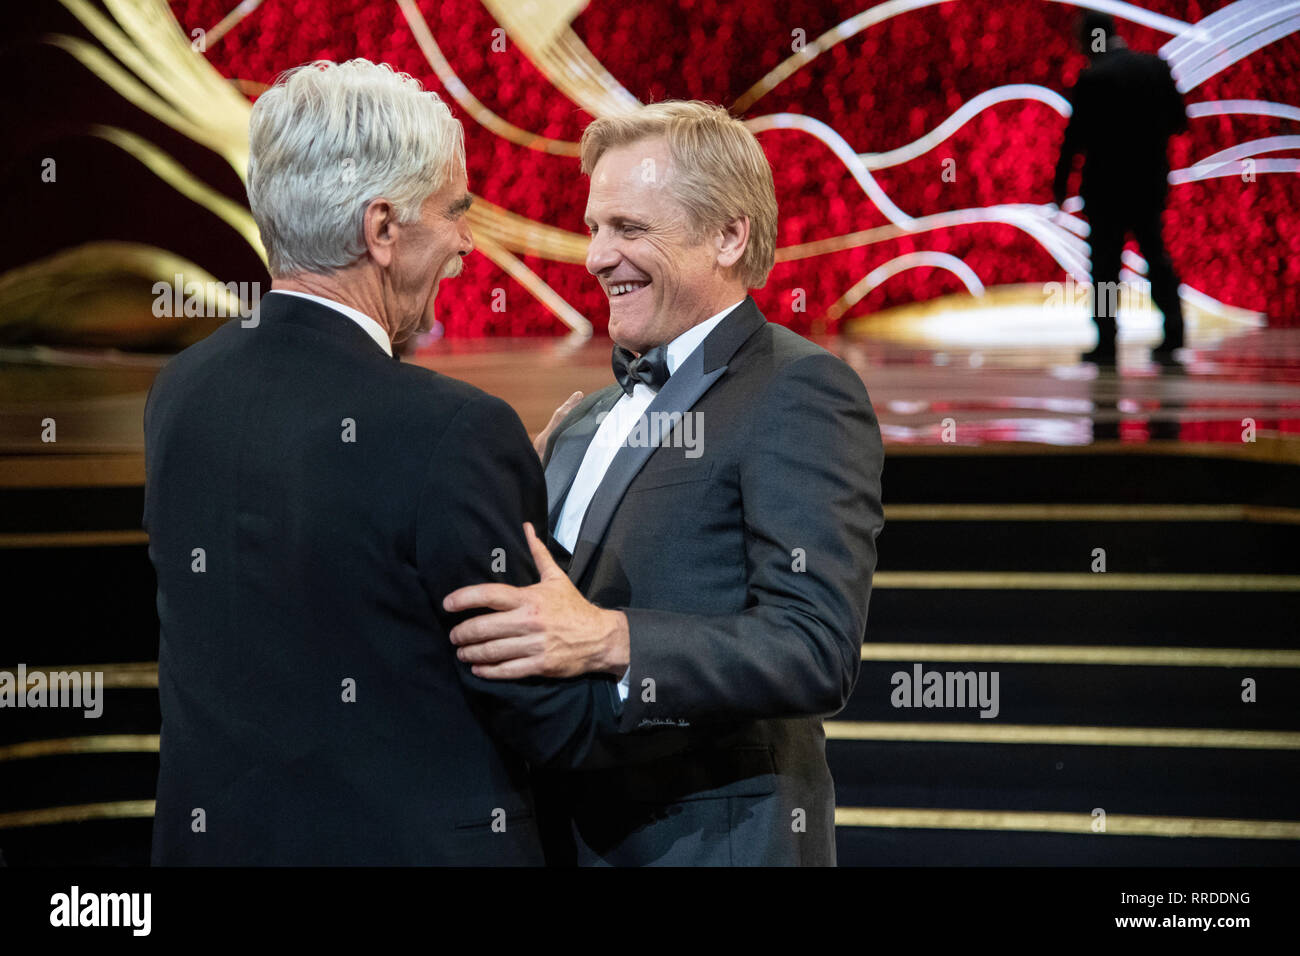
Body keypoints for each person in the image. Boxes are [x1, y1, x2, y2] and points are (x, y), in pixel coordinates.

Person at [144, 59, 634, 865]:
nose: (470, 243)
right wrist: (671, 664)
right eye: (455, 211)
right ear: (381, 230)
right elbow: (543, 714)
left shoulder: (181, 391)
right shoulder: (454, 432)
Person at [444, 101, 885, 866]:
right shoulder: (585, 421)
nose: (596, 257)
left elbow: (814, 649)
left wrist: (613, 639)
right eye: (593, 228)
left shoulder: (799, 390)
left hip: (712, 844)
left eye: (629, 228)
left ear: (728, 235)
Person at [1052, 11, 1188, 366]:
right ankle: (1174, 329)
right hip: (1148, 184)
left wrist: (1059, 188)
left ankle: (1107, 341)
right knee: (1155, 256)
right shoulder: (1156, 68)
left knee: (1105, 268)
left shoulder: (1092, 78)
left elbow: (1073, 142)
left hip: (1105, 190)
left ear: (1090, 39)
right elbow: (1180, 122)